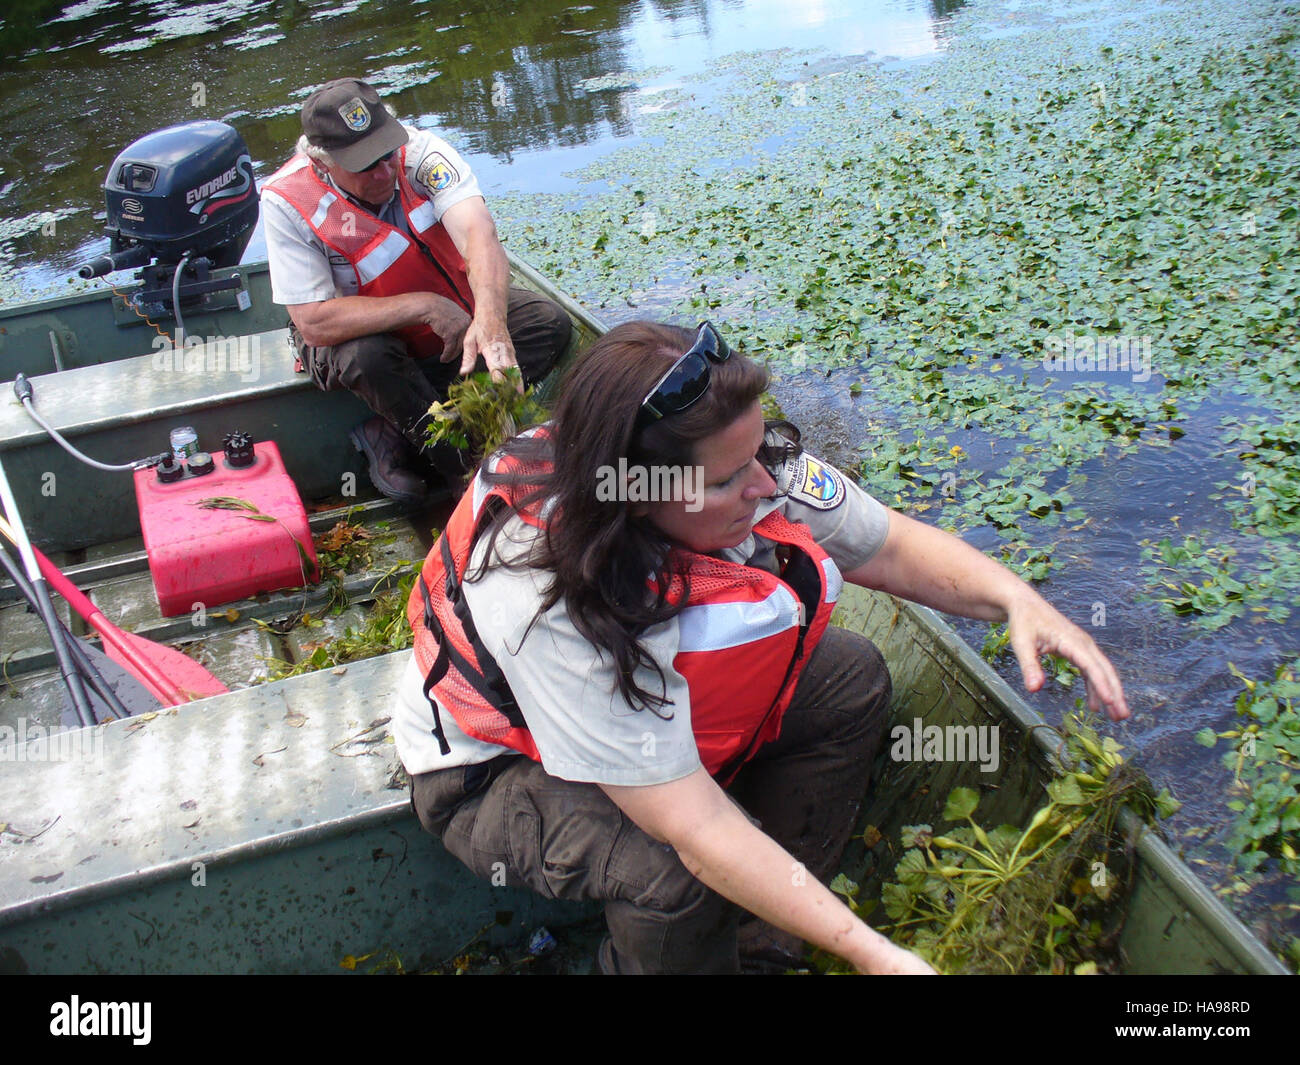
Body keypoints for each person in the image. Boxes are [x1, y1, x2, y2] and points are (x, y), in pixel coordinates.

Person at [393, 320, 1131, 974]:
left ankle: (765, 939)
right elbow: (694, 827)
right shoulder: (541, 588)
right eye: (727, 479)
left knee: (852, 679)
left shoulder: (743, 459)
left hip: (634, 727)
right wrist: (872, 951)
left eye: (758, 455)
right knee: (675, 871)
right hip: (494, 768)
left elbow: (893, 548)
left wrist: (1017, 601)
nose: (764, 486)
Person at [261, 77, 572, 504]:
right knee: (366, 356)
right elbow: (314, 321)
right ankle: (471, 481)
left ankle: (394, 433)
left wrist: (492, 324)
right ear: (323, 163)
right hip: (354, 331)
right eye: (366, 165)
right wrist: (425, 307)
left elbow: (479, 234)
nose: (385, 171)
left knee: (547, 323)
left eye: (387, 155)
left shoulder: (423, 153)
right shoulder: (286, 201)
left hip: (450, 305)